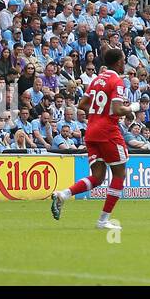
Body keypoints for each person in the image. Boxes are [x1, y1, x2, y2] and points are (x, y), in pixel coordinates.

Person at [50, 48, 133, 231]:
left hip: (91, 132)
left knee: (98, 177)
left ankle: (63, 194)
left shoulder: (96, 79)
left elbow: (82, 105)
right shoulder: (116, 81)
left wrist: (99, 113)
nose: (124, 62)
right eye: (124, 60)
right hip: (108, 132)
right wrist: (130, 108)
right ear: (118, 62)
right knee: (119, 174)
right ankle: (103, 220)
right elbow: (118, 109)